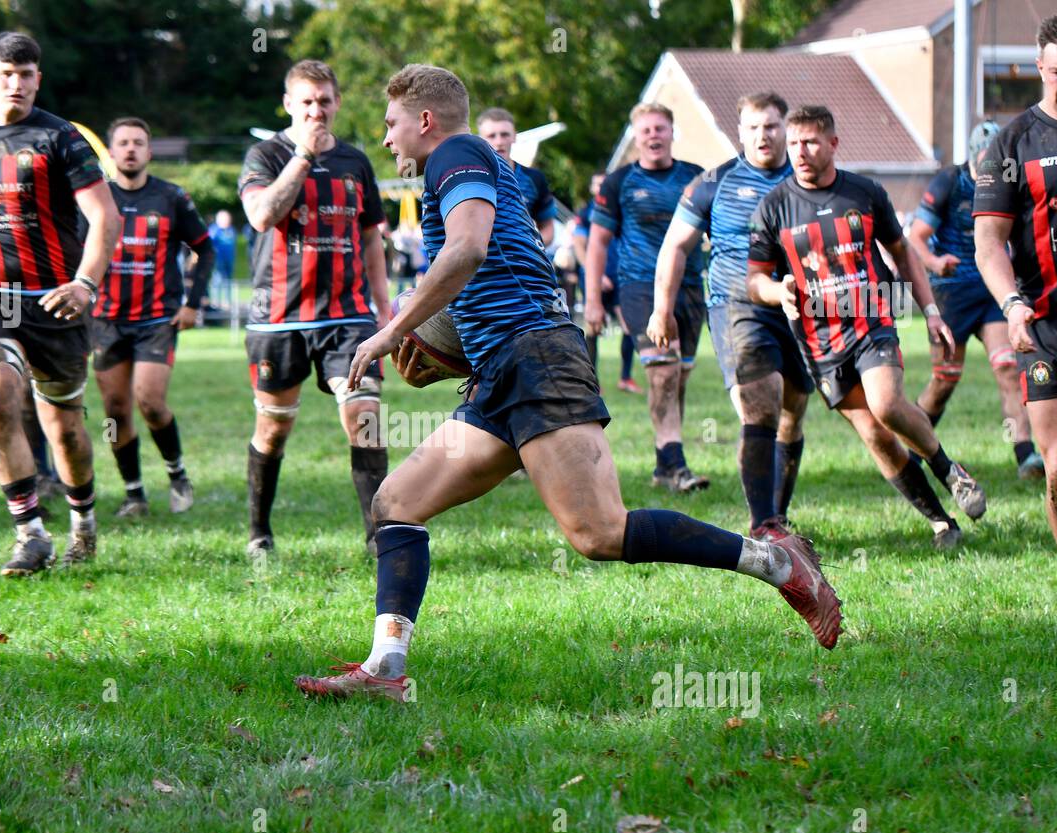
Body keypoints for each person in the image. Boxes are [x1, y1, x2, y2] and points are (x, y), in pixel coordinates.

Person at [294, 64, 842, 702]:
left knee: (598, 533)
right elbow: (493, 264)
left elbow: (468, 249)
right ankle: (386, 668)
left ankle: (775, 562)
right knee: (396, 503)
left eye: (391, 124)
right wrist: (457, 342)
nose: (386, 139)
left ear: (424, 120)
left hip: (537, 360)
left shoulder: (456, 153)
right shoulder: (473, 165)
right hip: (504, 371)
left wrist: (394, 330)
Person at [0, 31, 122, 575]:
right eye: (6, 74)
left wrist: (84, 282)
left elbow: (106, 216)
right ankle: (30, 533)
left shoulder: (62, 139)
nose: (17, 84)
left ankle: (82, 519)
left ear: (39, 78)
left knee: (65, 430)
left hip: (55, 302)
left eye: (27, 74)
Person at [748, 106, 986, 549]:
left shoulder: (864, 192)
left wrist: (930, 310)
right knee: (877, 436)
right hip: (820, 344)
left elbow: (904, 251)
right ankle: (941, 523)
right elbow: (754, 278)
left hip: (872, 320)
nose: (800, 151)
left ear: (834, 144)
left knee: (888, 405)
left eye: (811, 141)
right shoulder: (774, 206)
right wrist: (775, 291)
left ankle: (950, 470)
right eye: (794, 142)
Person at [237, 59, 392, 558]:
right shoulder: (263, 155)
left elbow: (371, 237)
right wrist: (303, 155)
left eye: (324, 100)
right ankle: (259, 532)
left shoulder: (355, 162)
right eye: (306, 101)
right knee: (274, 427)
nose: (316, 110)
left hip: (347, 317)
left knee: (365, 415)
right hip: (278, 318)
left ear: (337, 102)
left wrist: (384, 309)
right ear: (288, 104)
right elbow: (262, 215)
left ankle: (379, 538)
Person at [653, 92, 806, 538]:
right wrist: (663, 309)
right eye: (753, 127)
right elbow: (676, 247)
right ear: (739, 132)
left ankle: (777, 512)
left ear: (786, 129)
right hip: (735, 305)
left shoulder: (804, 179)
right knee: (760, 402)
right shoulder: (712, 183)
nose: (763, 136)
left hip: (798, 306)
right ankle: (764, 524)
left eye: (771, 127)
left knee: (793, 410)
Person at [93, 116, 214, 518]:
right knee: (114, 409)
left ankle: (176, 473)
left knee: (150, 401)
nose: (130, 149)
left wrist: (193, 304)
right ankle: (134, 494)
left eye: (138, 142)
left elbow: (205, 248)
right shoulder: (95, 199)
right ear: (111, 152)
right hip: (106, 320)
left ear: (148, 151)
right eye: (123, 142)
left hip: (156, 320)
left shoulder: (171, 197)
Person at [585, 104, 709, 493]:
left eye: (660, 128)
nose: (653, 136)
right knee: (663, 372)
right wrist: (592, 299)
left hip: (689, 287)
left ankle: (664, 462)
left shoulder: (696, 178)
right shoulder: (619, 182)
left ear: (672, 132)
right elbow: (598, 243)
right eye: (645, 131)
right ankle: (676, 465)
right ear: (636, 138)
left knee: (680, 375)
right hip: (639, 286)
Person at [974, 13, 1057, 552]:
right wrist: (1011, 304)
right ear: (1039, 67)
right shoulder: (1011, 145)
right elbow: (988, 245)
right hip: (1045, 323)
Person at [915, 121, 1045, 480]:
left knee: (1007, 367)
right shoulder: (949, 183)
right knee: (945, 379)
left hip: (993, 289)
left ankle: (1024, 453)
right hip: (952, 292)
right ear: (975, 157)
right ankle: (911, 450)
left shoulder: (1011, 181)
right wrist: (935, 262)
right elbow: (916, 237)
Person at [572, 172, 638, 393]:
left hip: (621, 278)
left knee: (629, 325)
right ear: (592, 188)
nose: (601, 188)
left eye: (605, 184)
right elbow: (579, 245)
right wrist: (597, 275)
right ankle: (593, 383)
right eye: (597, 184)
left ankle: (626, 378)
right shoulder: (586, 213)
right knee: (593, 328)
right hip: (593, 280)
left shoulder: (622, 210)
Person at [477, 107, 558, 248]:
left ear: (514, 136)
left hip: (524, 265)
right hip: (481, 265)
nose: (499, 141)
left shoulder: (534, 178)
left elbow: (548, 227)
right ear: (480, 140)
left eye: (505, 134)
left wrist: (532, 248)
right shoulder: (468, 178)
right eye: (491, 136)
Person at [208, 209, 238, 312]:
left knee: (228, 280)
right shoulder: (214, 230)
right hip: (217, 261)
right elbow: (210, 244)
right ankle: (216, 302)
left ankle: (227, 302)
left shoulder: (231, 230)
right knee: (217, 280)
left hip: (229, 260)